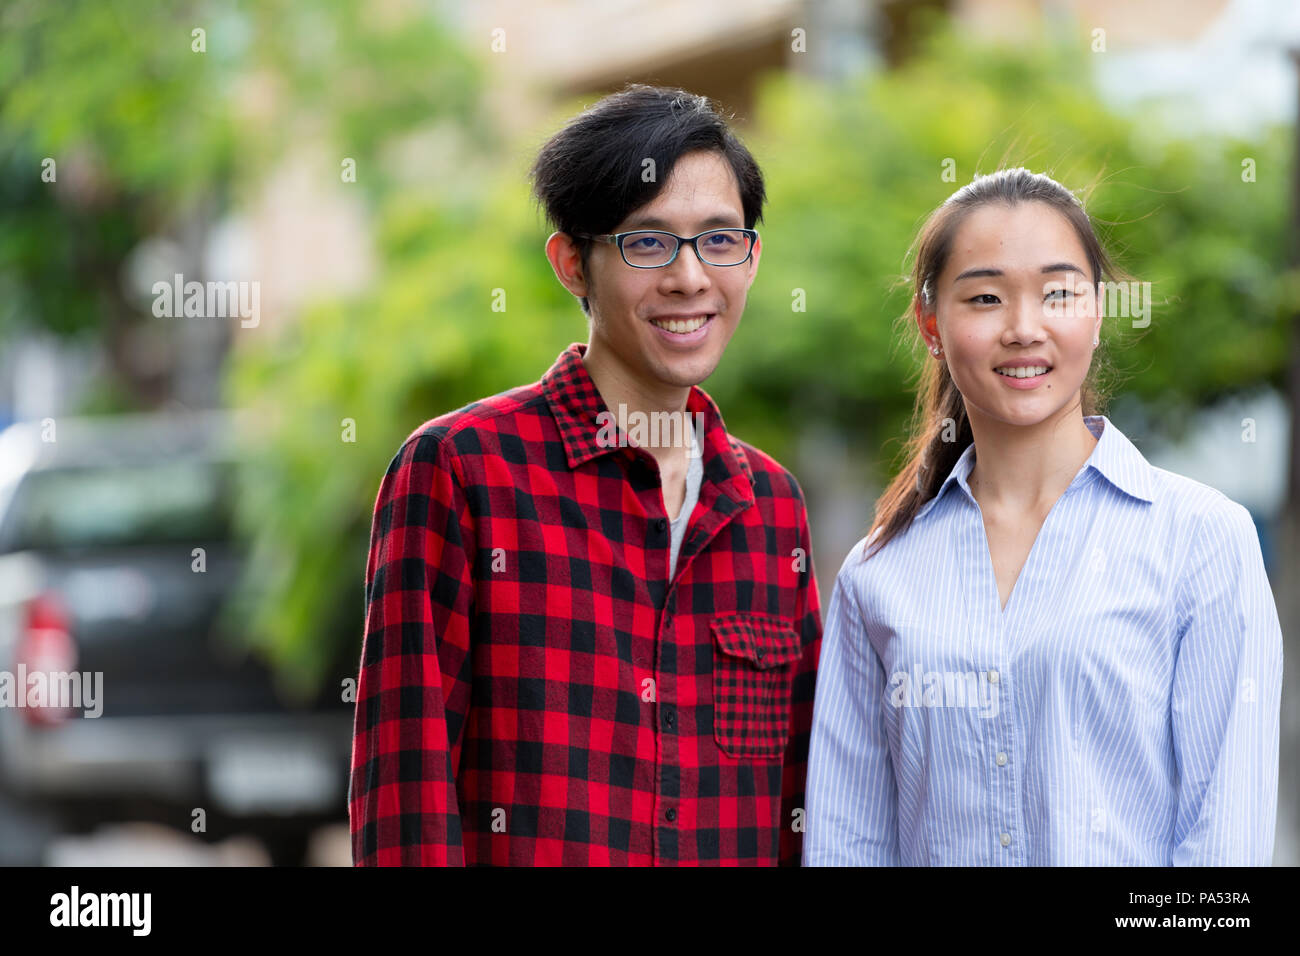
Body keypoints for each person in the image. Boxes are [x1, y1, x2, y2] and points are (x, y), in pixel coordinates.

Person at [350, 85, 822, 866]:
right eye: (647, 243)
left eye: (718, 241)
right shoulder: (464, 472)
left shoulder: (769, 509)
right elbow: (408, 795)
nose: (689, 278)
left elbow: (799, 802)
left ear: (753, 257)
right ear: (574, 263)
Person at [804, 167, 1283, 866]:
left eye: (1058, 292)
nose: (1024, 329)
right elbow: (847, 844)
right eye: (987, 297)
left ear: (1096, 310)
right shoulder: (879, 573)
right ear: (932, 325)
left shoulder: (1201, 540)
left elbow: (1223, 856)